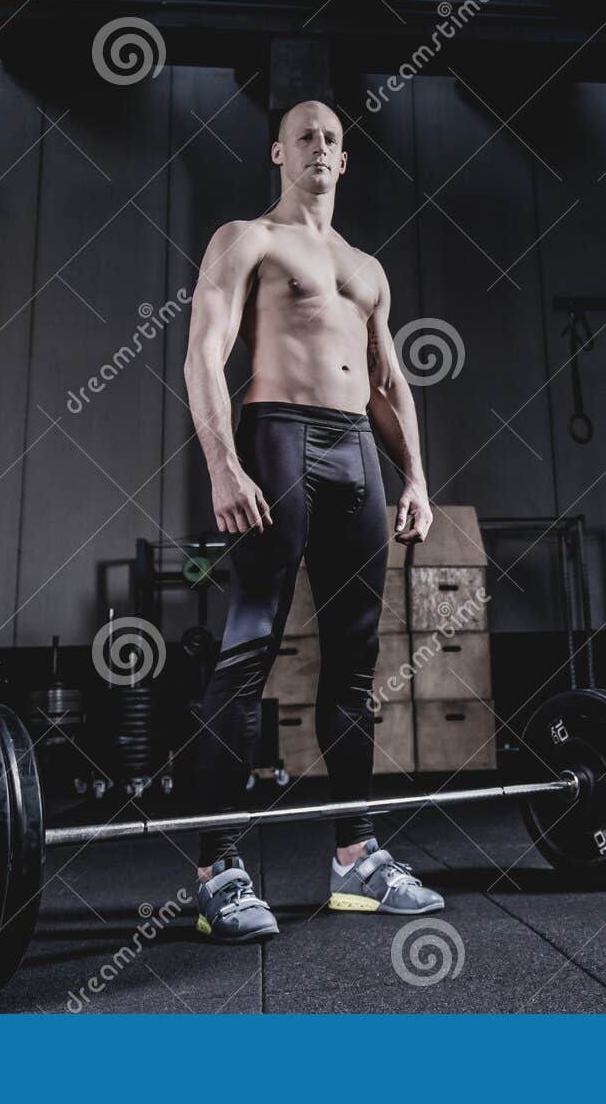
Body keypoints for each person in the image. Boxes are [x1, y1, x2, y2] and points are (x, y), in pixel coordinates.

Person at [182, 100, 443, 943]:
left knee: (357, 660)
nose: (321, 148)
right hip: (277, 435)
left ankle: (356, 858)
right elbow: (204, 352)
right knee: (250, 643)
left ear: (345, 158)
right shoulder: (246, 239)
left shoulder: (367, 267)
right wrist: (224, 463)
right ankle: (218, 867)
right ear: (277, 153)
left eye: (333, 138)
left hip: (356, 447)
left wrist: (418, 479)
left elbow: (389, 381)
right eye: (306, 137)